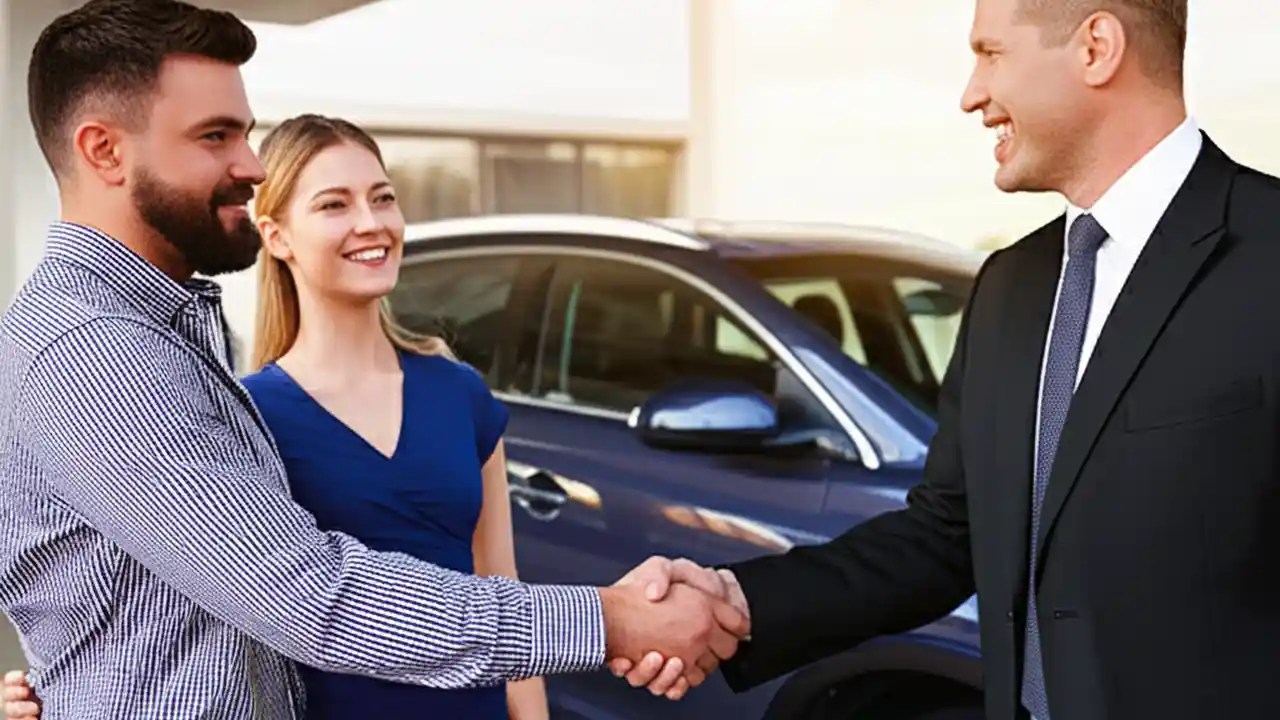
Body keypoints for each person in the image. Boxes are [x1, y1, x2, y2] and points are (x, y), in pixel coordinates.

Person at [0, 1, 745, 717]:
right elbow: (309, 597)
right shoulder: (94, 352)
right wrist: (609, 620)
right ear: (103, 150)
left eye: (246, 134)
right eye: (215, 136)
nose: (253, 165)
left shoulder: (153, 331)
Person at [615, 0, 1280, 718]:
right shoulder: (1011, 286)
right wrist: (740, 602)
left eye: (991, 53)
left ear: (1096, 48)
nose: (972, 94)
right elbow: (946, 534)